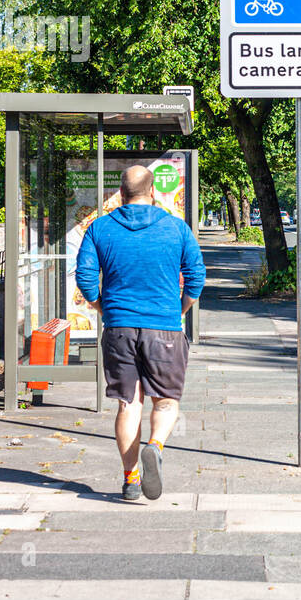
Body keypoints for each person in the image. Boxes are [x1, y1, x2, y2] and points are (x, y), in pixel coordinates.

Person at [76, 166, 205, 501]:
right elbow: (196, 276)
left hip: (119, 329)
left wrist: (105, 309)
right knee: (165, 403)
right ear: (152, 193)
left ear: (120, 193)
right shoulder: (176, 228)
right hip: (164, 328)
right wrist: (181, 310)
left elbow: (86, 277)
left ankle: (131, 478)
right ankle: (156, 446)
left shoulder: (99, 228)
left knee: (128, 404)